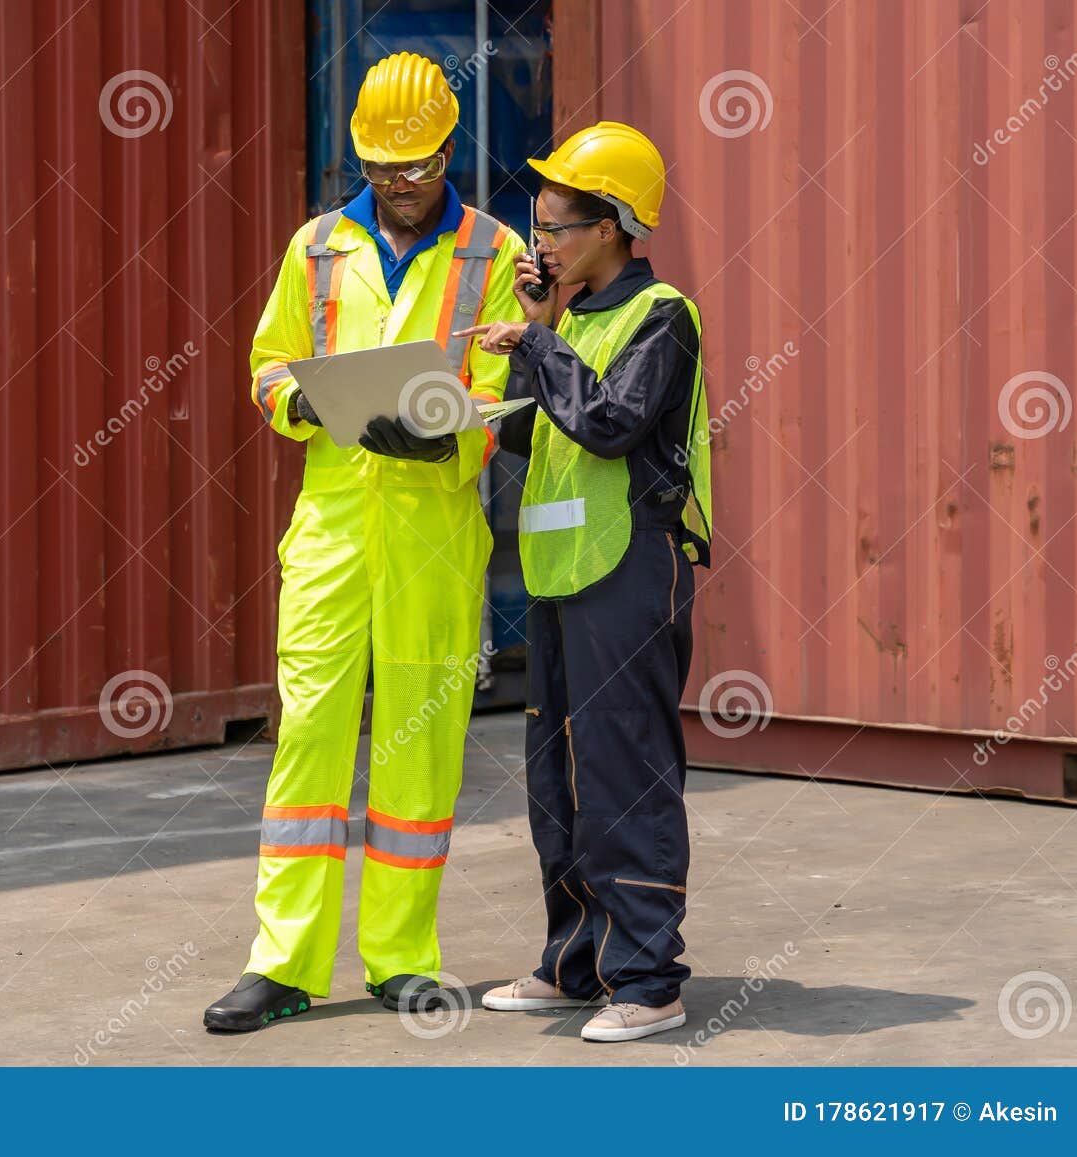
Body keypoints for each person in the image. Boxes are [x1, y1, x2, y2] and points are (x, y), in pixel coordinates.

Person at [203, 52, 527, 1032]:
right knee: (306, 733)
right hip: (335, 524)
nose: (397, 182)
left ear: (447, 151)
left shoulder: (494, 254)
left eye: (416, 165)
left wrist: (446, 423)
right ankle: (284, 962)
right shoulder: (314, 248)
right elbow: (265, 368)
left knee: (419, 744)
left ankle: (401, 957)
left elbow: (512, 388)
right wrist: (307, 402)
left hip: (433, 523)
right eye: (381, 166)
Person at [453, 121, 713, 1043]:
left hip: (633, 567)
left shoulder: (661, 316)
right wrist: (519, 357)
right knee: (556, 776)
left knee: (626, 772)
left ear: (613, 225)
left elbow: (609, 422)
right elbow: (540, 433)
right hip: (563, 571)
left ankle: (646, 977)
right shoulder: (575, 320)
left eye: (557, 229)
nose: (542, 245)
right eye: (540, 229)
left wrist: (536, 339)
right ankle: (576, 960)